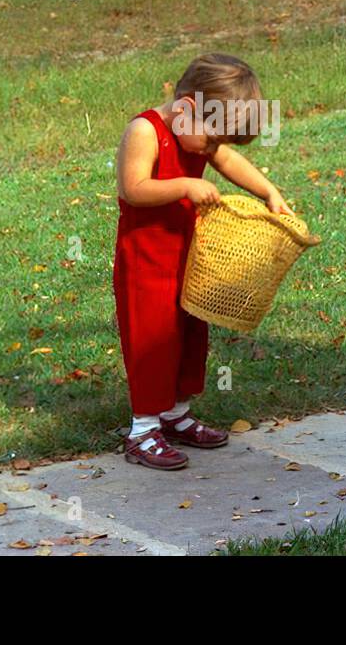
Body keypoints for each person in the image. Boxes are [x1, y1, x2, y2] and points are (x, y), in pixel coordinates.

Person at [113, 53, 292, 470]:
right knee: (152, 341)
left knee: (190, 337)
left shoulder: (197, 130)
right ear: (187, 109)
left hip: (189, 256)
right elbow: (132, 188)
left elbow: (228, 160)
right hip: (146, 261)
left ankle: (175, 414)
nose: (213, 150)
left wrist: (266, 191)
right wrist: (184, 185)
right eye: (211, 140)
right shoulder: (145, 130)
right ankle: (143, 429)